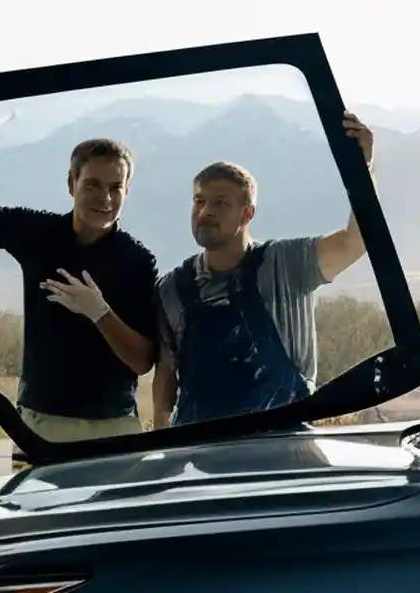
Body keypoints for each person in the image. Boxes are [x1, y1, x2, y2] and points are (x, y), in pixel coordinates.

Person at [0, 84, 159, 441]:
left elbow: (143, 361)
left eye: (115, 187)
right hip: (39, 424)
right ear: (71, 183)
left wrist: (99, 312)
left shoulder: (138, 260)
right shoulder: (37, 233)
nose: (104, 197)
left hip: (114, 426)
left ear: (127, 191)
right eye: (92, 185)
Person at [151, 111, 375, 429]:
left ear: (248, 213)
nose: (206, 211)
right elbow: (166, 372)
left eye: (220, 203)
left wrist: (362, 168)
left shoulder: (286, 263)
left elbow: (355, 243)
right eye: (199, 201)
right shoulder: (171, 288)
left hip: (285, 450)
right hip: (200, 454)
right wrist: (162, 448)